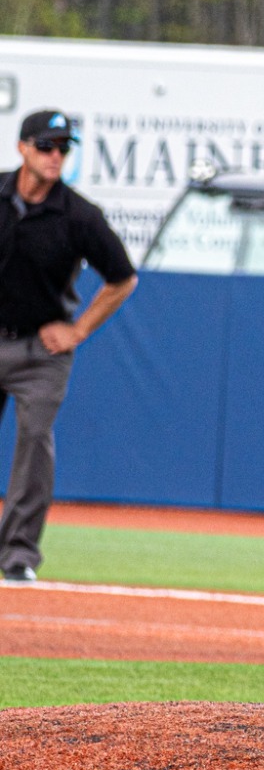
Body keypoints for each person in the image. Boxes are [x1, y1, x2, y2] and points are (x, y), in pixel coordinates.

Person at [0, 109, 138, 583]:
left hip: (41, 352)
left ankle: (17, 554)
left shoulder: (79, 215)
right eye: (46, 146)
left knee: (34, 444)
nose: (55, 156)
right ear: (22, 148)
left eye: (63, 148)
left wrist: (78, 331)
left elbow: (122, 278)